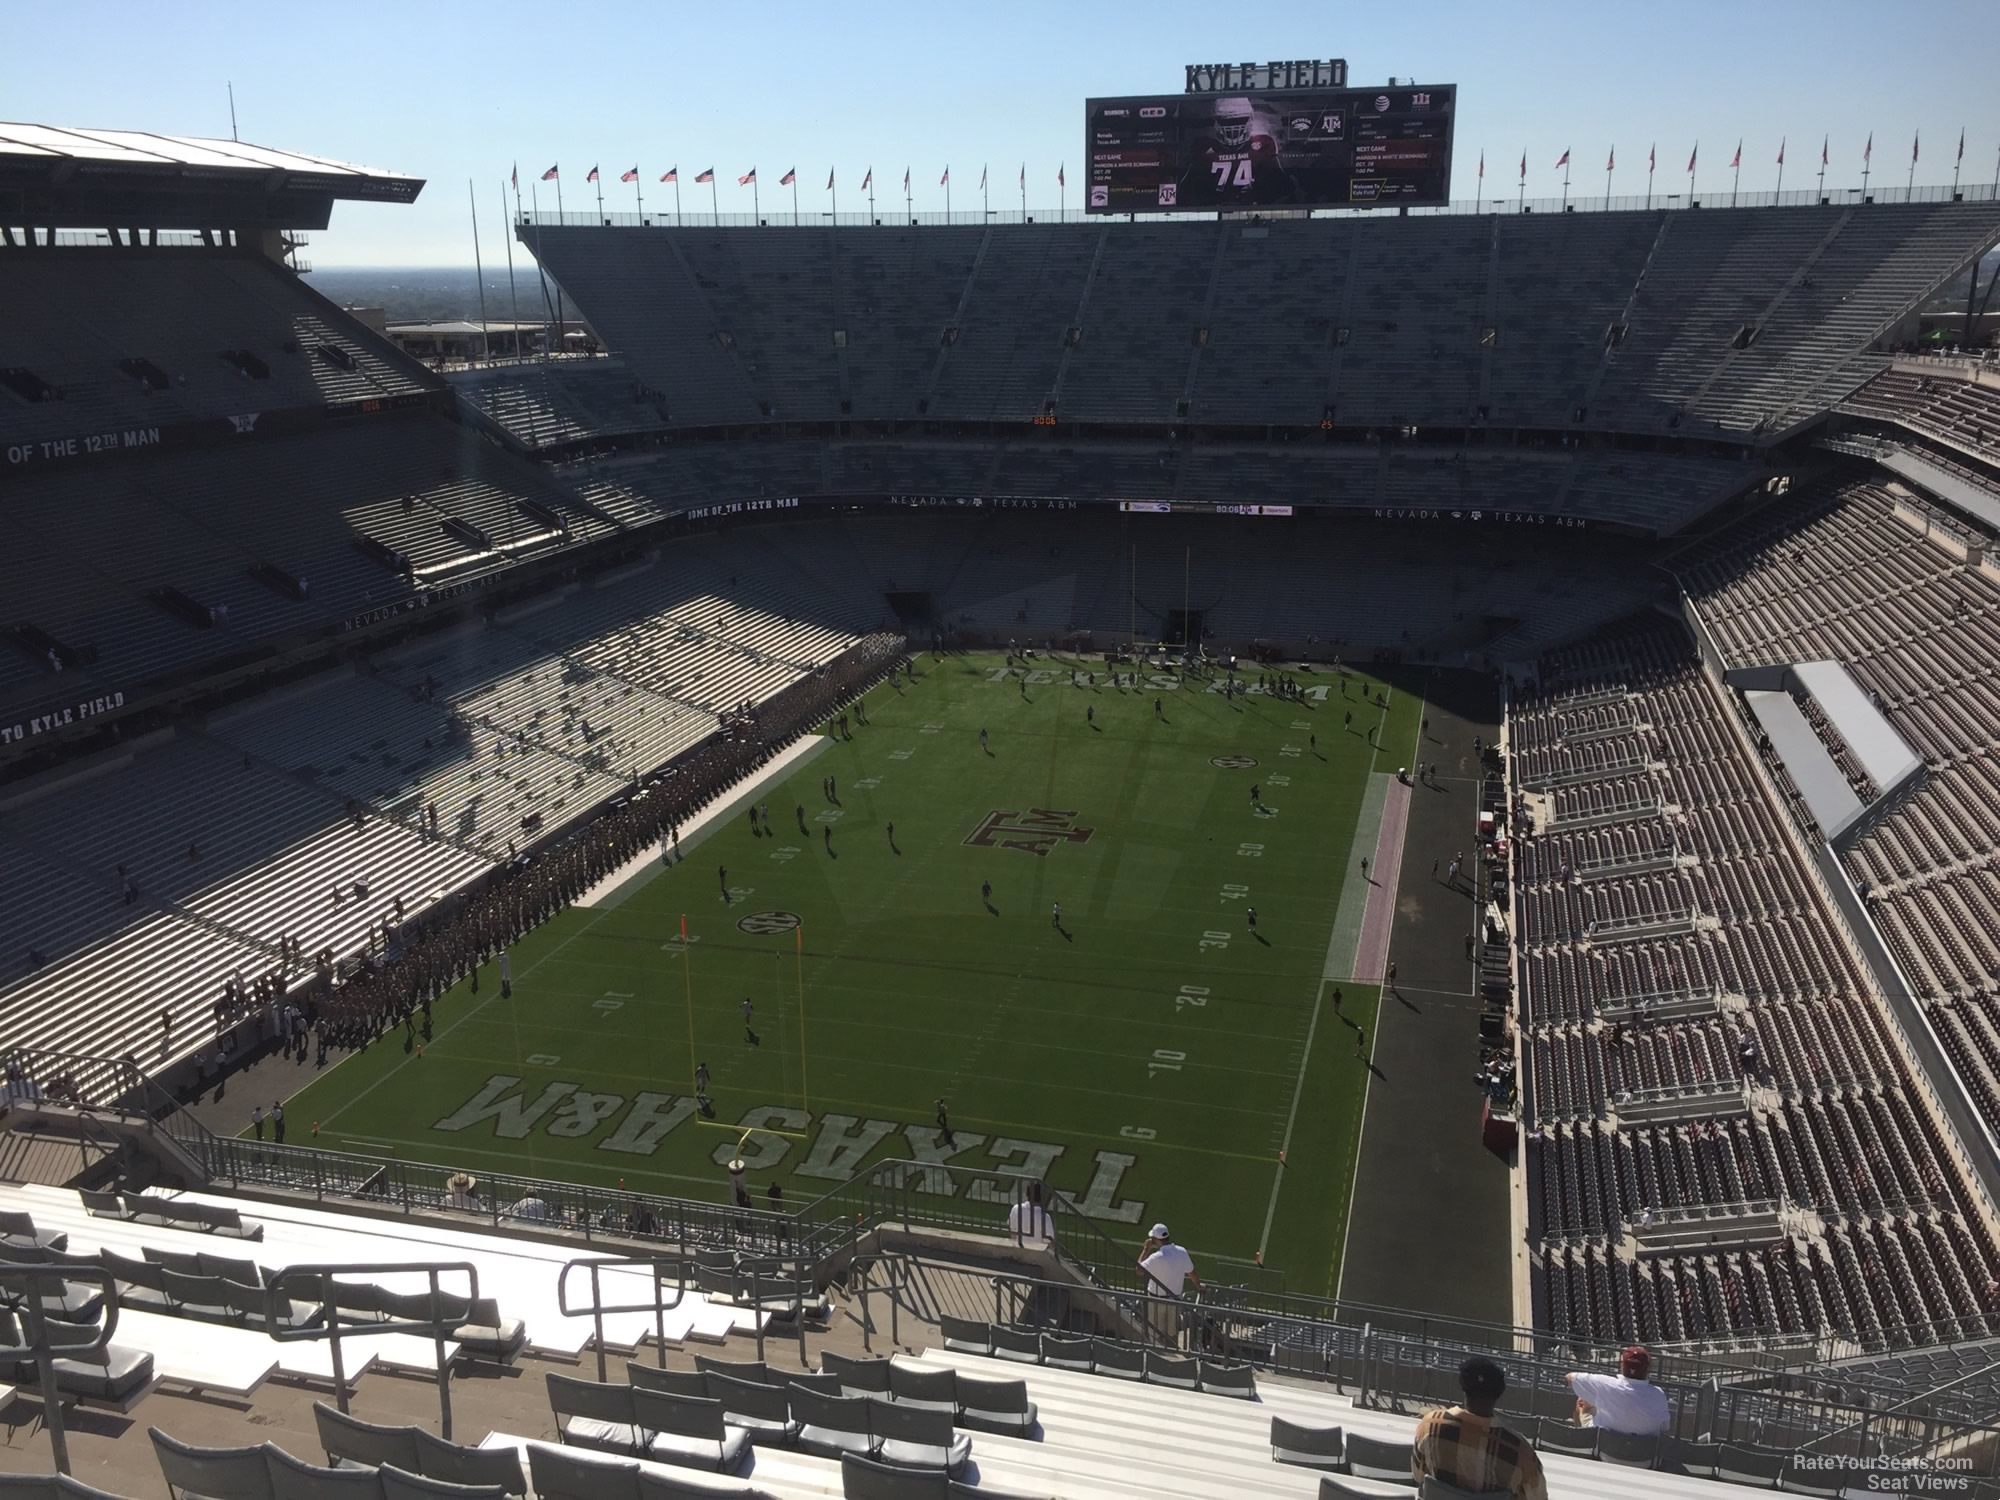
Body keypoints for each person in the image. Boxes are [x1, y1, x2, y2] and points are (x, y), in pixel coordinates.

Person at [1412, 1356, 1548, 1500]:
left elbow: (1418, 1475)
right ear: (1498, 1394)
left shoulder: (1430, 1425)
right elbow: (1539, 1497)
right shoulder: (1520, 1450)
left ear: (1463, 1388)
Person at [1566, 1346, 1671, 1436]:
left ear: (1622, 1365)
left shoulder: (1605, 1383)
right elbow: (1664, 1427)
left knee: (1582, 1402)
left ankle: (1579, 1440)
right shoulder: (1659, 1394)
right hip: (1644, 1457)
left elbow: (1569, 1378)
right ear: (1647, 1369)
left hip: (1604, 1450)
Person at [1138, 1224, 1200, 1343]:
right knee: (1172, 1335)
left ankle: (1158, 1357)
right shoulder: (1182, 1251)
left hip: (1155, 1301)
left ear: (1155, 1240)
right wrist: (1199, 1286)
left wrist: (1146, 1249)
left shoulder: (1155, 1257)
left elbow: (1139, 1270)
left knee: (1154, 1335)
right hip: (1174, 1300)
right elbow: (1192, 1272)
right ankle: (1173, 1357)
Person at [1008, 1181, 1054, 1245]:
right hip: (1036, 1252)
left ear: (1027, 1193)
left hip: (1018, 1250)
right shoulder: (1045, 1217)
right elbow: (1049, 1242)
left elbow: (1012, 1233)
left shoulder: (1016, 1208)